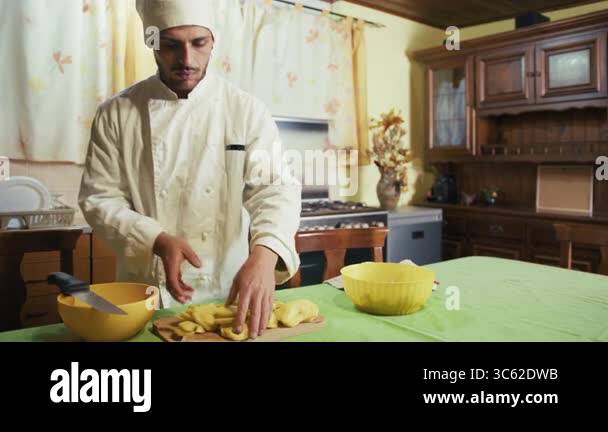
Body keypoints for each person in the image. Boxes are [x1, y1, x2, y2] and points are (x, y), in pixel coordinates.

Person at [79, 0, 301, 339]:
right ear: (151, 42)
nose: (186, 60)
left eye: (199, 43)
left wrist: (265, 255)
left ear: (213, 41)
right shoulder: (117, 114)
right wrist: (155, 238)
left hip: (228, 290)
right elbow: (99, 199)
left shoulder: (245, 110)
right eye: (170, 45)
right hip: (146, 293)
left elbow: (275, 188)